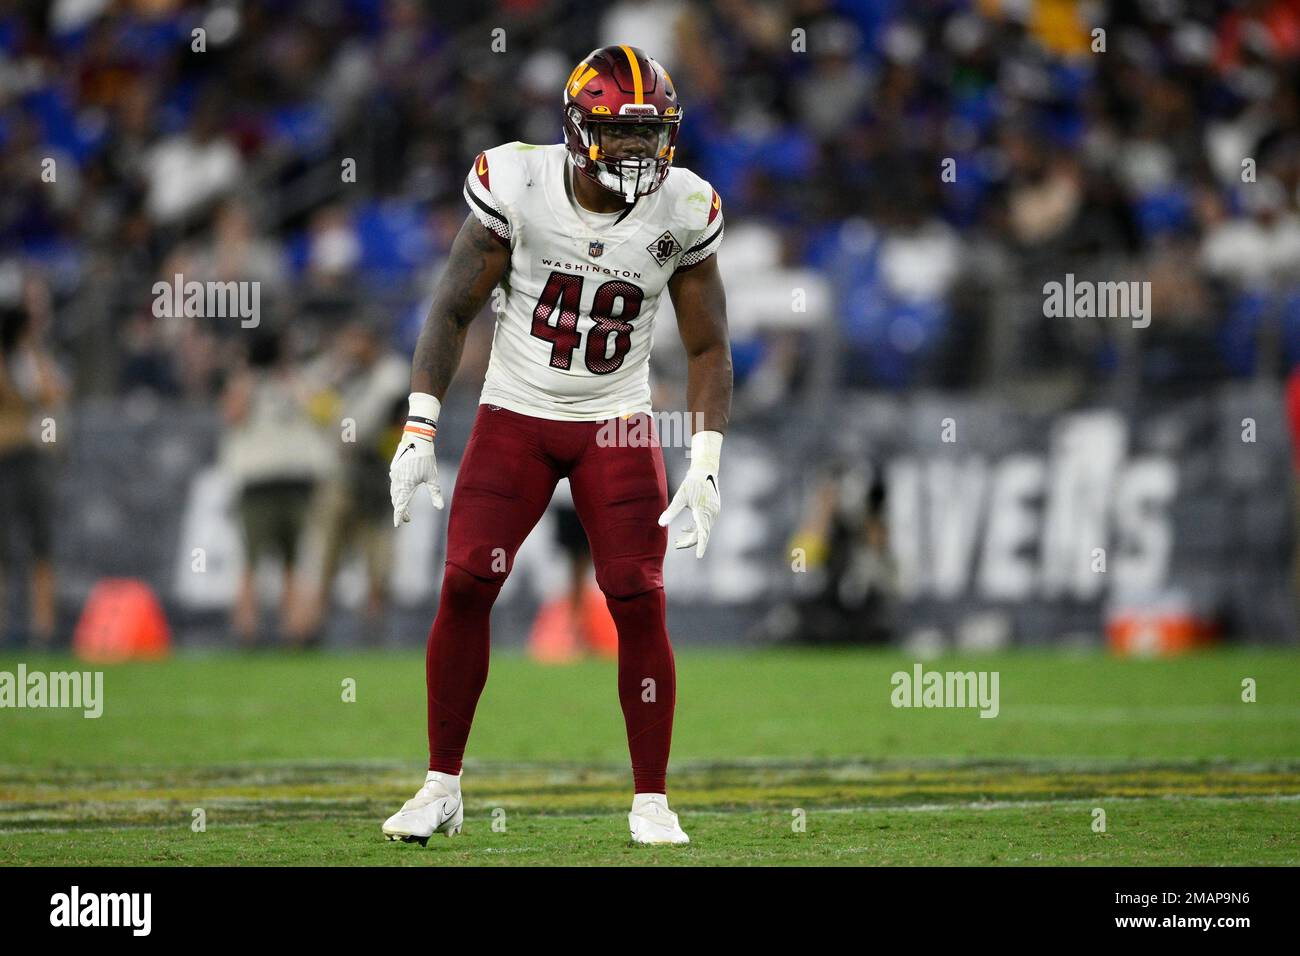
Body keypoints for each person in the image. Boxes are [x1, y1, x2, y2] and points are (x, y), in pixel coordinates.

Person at [382, 46, 731, 846]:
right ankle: (441, 786)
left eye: (651, 137)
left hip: (616, 417)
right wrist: (419, 425)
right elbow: (449, 311)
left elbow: (709, 347)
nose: (639, 155)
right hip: (518, 411)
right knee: (467, 581)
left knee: (637, 595)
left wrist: (706, 457)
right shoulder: (519, 184)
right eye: (621, 135)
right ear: (577, 132)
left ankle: (652, 799)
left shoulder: (684, 206)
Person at [219, 329, 331, 648]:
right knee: (251, 560)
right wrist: (248, 380)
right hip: (258, 483)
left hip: (298, 481)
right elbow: (232, 416)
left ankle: (294, 629)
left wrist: (293, 382)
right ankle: (246, 631)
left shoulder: (300, 381)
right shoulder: (244, 384)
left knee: (295, 560)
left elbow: (324, 414)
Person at [0, 302, 65, 647]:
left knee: (42, 543)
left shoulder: (33, 359)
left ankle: (44, 629)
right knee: (4, 549)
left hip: (34, 455)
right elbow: (21, 395)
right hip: (6, 457)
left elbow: (54, 392)